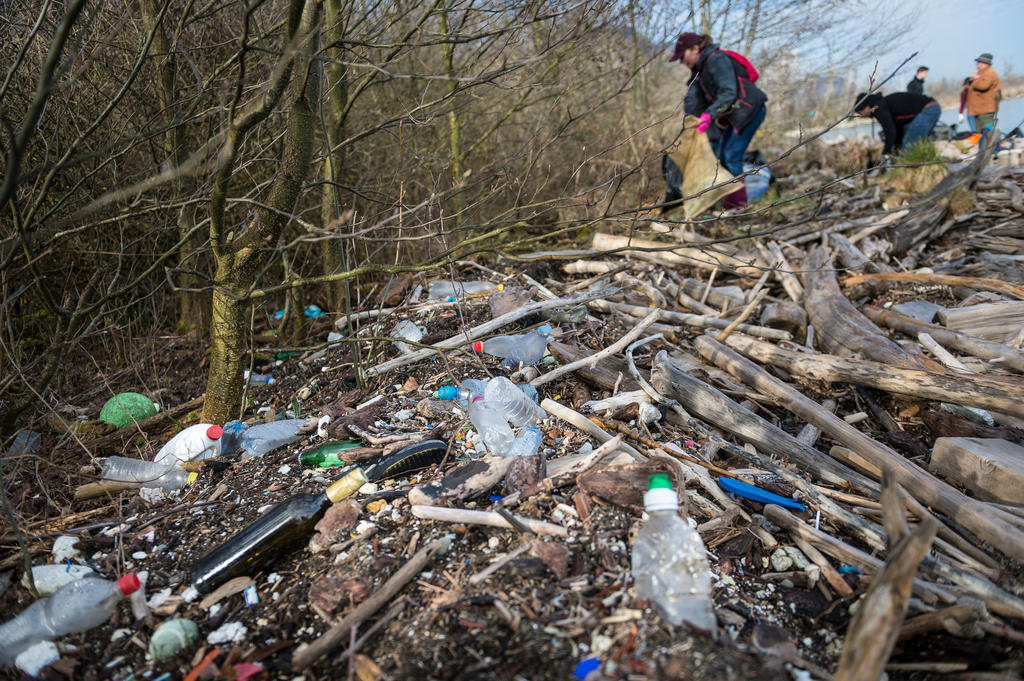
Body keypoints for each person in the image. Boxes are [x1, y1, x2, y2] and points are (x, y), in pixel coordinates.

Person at [670, 32, 767, 209]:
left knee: (731, 156)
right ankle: (730, 204)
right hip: (735, 114)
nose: (682, 62)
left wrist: (709, 115)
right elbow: (696, 102)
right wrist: (692, 124)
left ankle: (737, 207)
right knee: (722, 156)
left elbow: (728, 92)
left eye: (682, 56)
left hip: (749, 109)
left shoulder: (716, 59)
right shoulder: (701, 70)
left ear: (695, 49)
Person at [853, 91, 941, 159]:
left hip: (929, 108)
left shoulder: (878, 108)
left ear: (866, 107)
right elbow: (897, 129)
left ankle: (907, 169)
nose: (861, 115)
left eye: (860, 112)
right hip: (932, 106)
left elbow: (890, 131)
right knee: (914, 143)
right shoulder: (882, 105)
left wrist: (886, 153)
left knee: (908, 146)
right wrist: (896, 146)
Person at [962, 53, 1000, 132]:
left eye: (978, 62)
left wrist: (975, 79)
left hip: (987, 110)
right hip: (978, 111)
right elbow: (967, 87)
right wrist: (972, 79)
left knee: (987, 132)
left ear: (985, 63)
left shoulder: (989, 73)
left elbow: (983, 86)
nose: (976, 64)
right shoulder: (980, 73)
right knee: (978, 133)